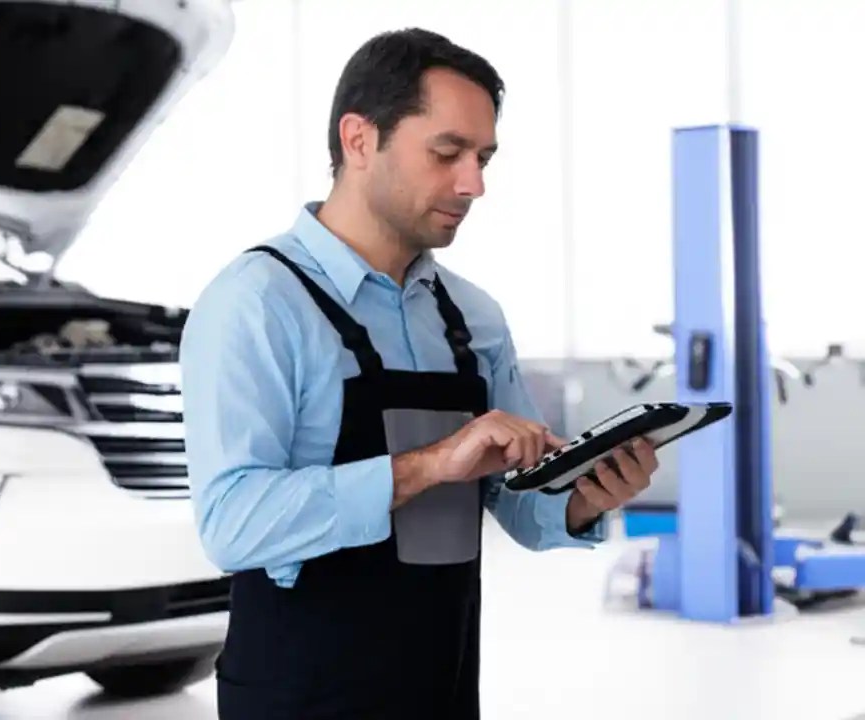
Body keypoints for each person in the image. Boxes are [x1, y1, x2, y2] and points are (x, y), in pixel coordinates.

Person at [179, 28, 660, 719]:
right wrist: (432, 465)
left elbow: (517, 505)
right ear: (358, 139)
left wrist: (587, 495)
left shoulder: (474, 317)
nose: (474, 184)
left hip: (441, 686)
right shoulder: (255, 305)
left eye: (484, 157)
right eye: (447, 153)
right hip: (299, 696)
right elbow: (232, 525)